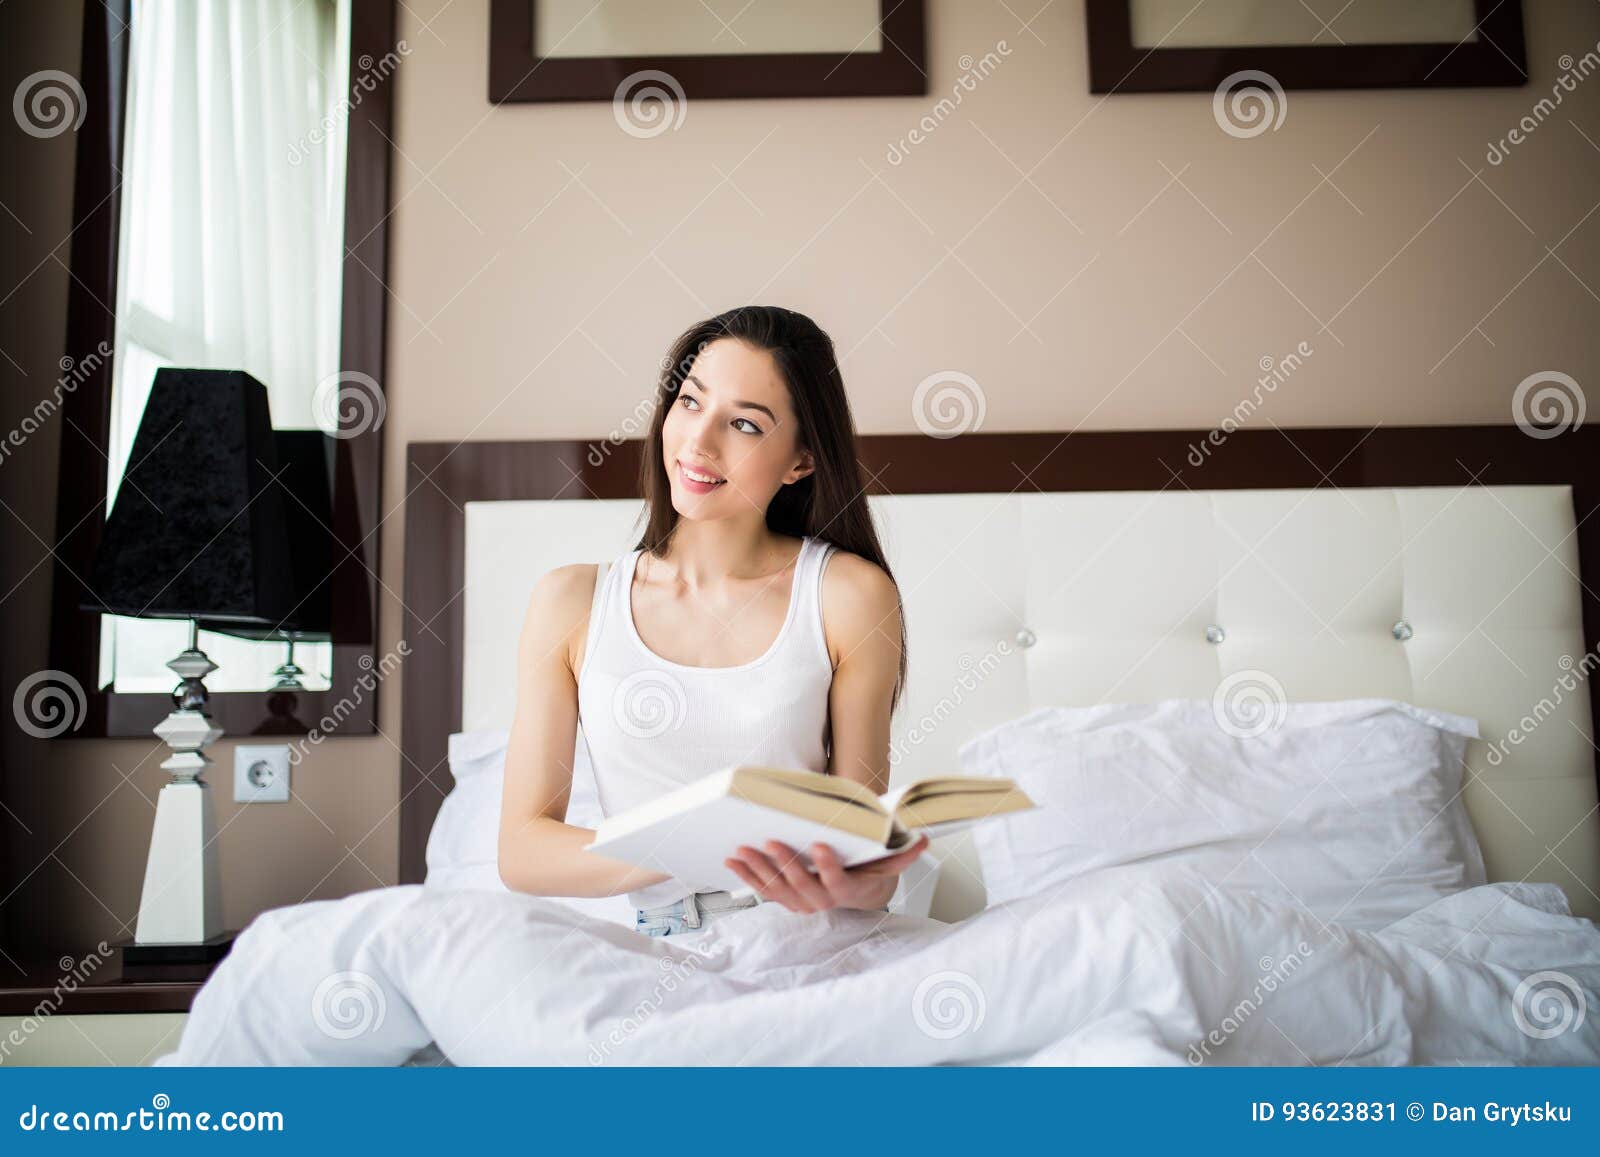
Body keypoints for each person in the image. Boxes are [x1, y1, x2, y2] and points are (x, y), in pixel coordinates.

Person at [497, 305, 929, 937]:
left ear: (801, 462)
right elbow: (522, 852)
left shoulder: (848, 596)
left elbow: (868, 869)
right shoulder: (570, 602)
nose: (699, 442)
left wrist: (860, 877)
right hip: (658, 945)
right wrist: (682, 843)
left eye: (745, 424)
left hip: (812, 942)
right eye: (690, 402)